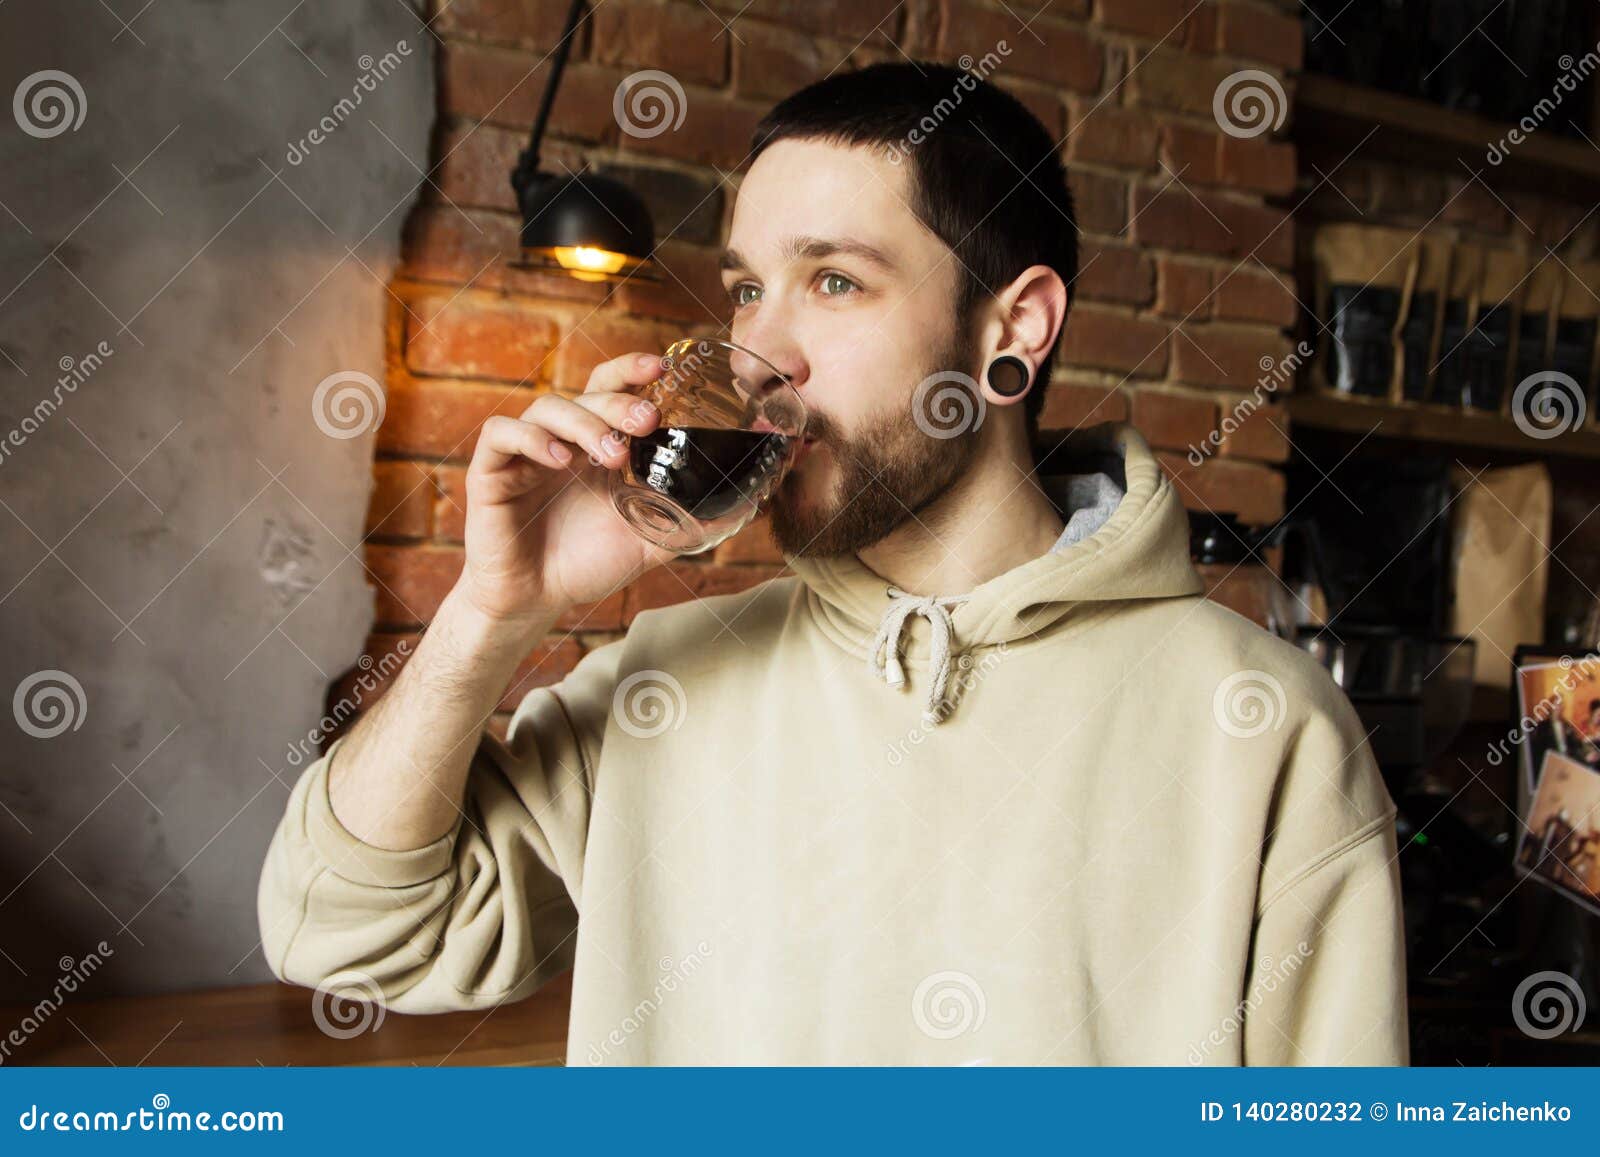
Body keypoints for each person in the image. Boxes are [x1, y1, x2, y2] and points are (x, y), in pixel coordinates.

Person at [256, 61, 1409, 1066]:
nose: (761, 348)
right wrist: (488, 617)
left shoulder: (1262, 730)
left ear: (1013, 328)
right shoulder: (660, 682)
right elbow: (345, 937)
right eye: (750, 286)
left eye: (836, 281)